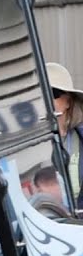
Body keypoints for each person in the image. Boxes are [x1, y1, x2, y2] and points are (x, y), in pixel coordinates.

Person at [47, 61, 83, 211]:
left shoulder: (79, 138)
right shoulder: (26, 145)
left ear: (68, 102)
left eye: (52, 93)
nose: (45, 99)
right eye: (40, 94)